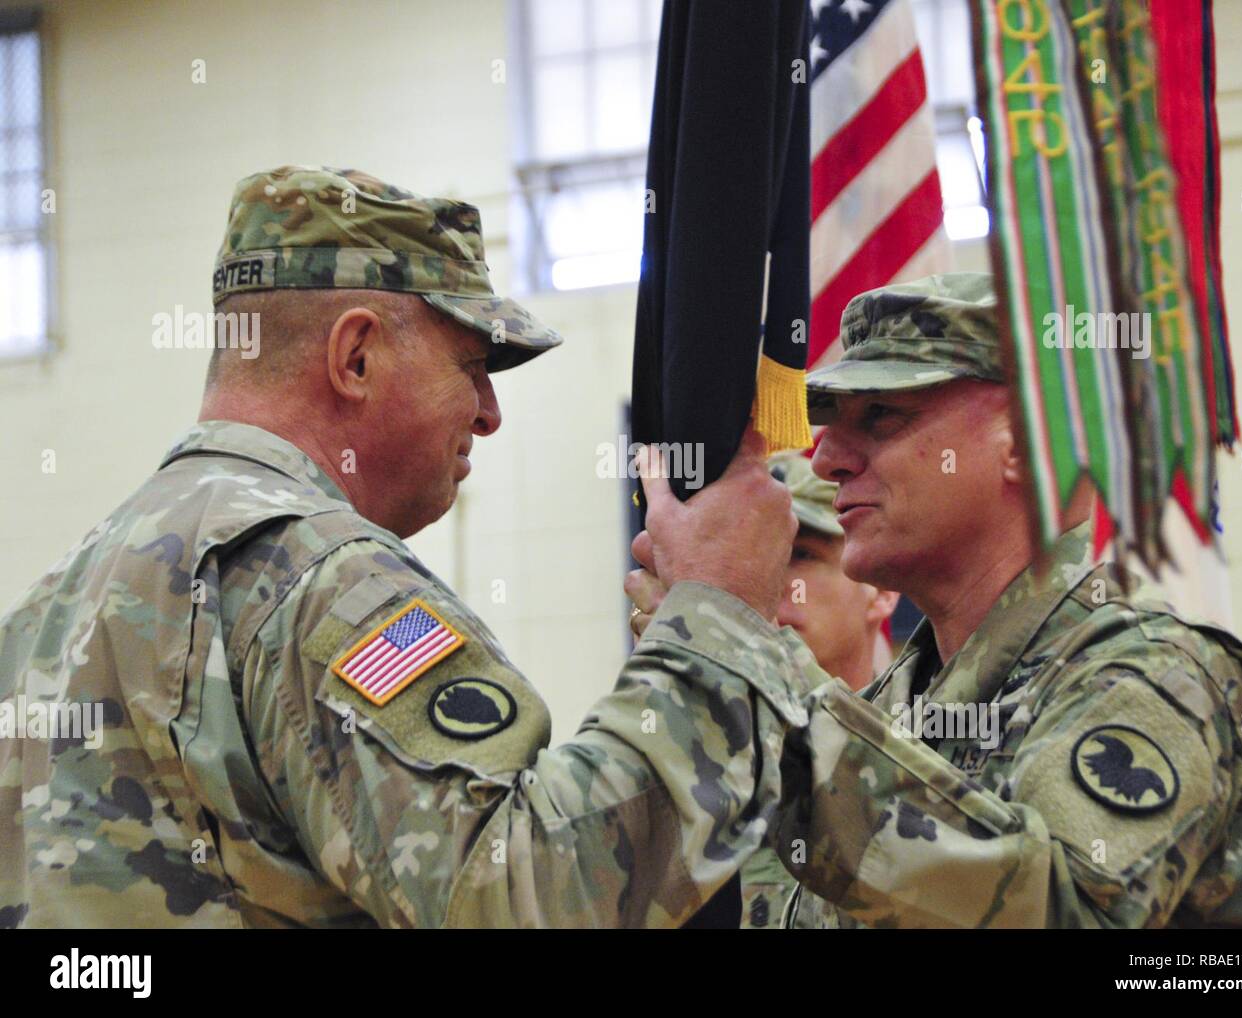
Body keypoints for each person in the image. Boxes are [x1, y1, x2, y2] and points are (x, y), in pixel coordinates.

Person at [0, 165, 809, 929]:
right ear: (355, 357)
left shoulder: (44, 610)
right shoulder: (315, 576)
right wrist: (717, 616)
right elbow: (524, 892)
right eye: (472, 365)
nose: (490, 413)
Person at [629, 273, 1242, 927]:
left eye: (881, 415)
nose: (827, 457)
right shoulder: (885, 713)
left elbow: (1060, 914)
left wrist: (746, 662)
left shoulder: (1157, 678)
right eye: (832, 422)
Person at [738, 453, 898, 928]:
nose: (769, 581)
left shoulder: (931, 750)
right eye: (754, 558)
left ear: (882, 590)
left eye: (801, 555)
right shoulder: (694, 764)